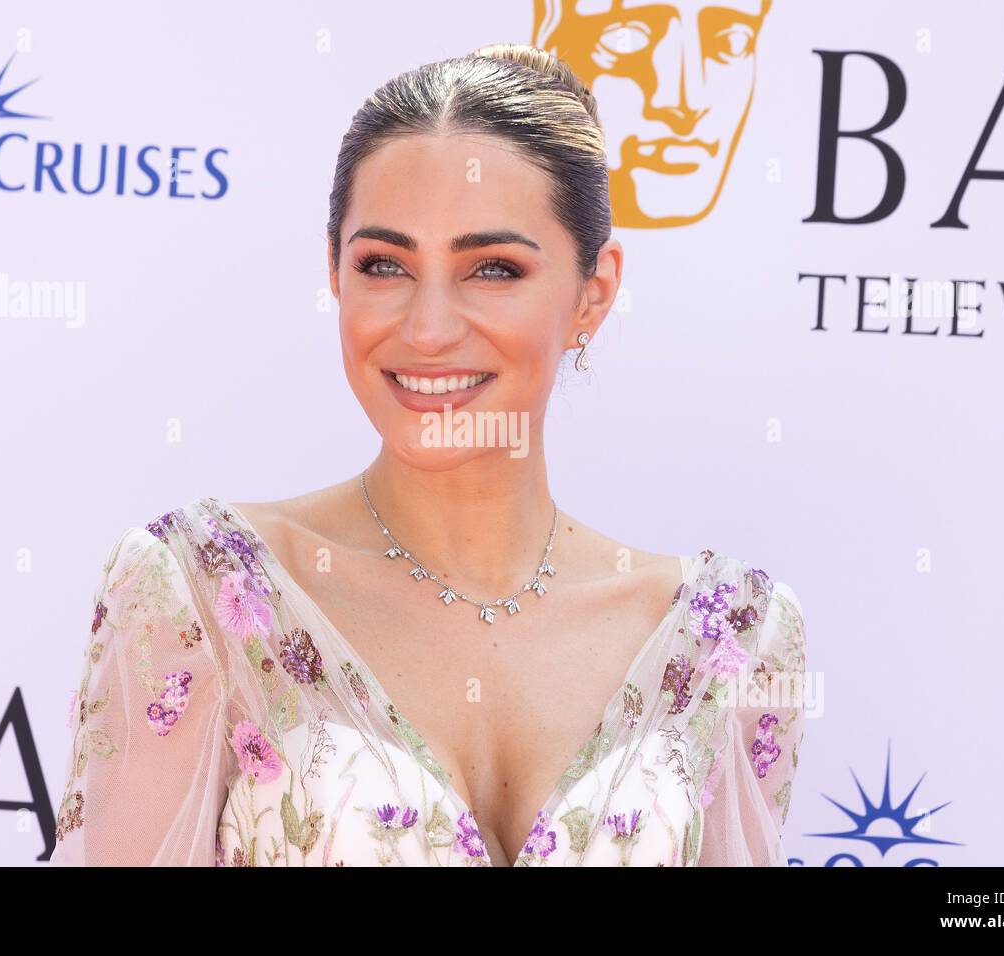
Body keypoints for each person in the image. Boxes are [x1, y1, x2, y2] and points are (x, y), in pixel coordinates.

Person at [49, 42, 808, 867]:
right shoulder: (199, 594)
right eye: (384, 265)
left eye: (491, 268)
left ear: (595, 291)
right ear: (335, 274)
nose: (428, 328)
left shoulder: (729, 638)